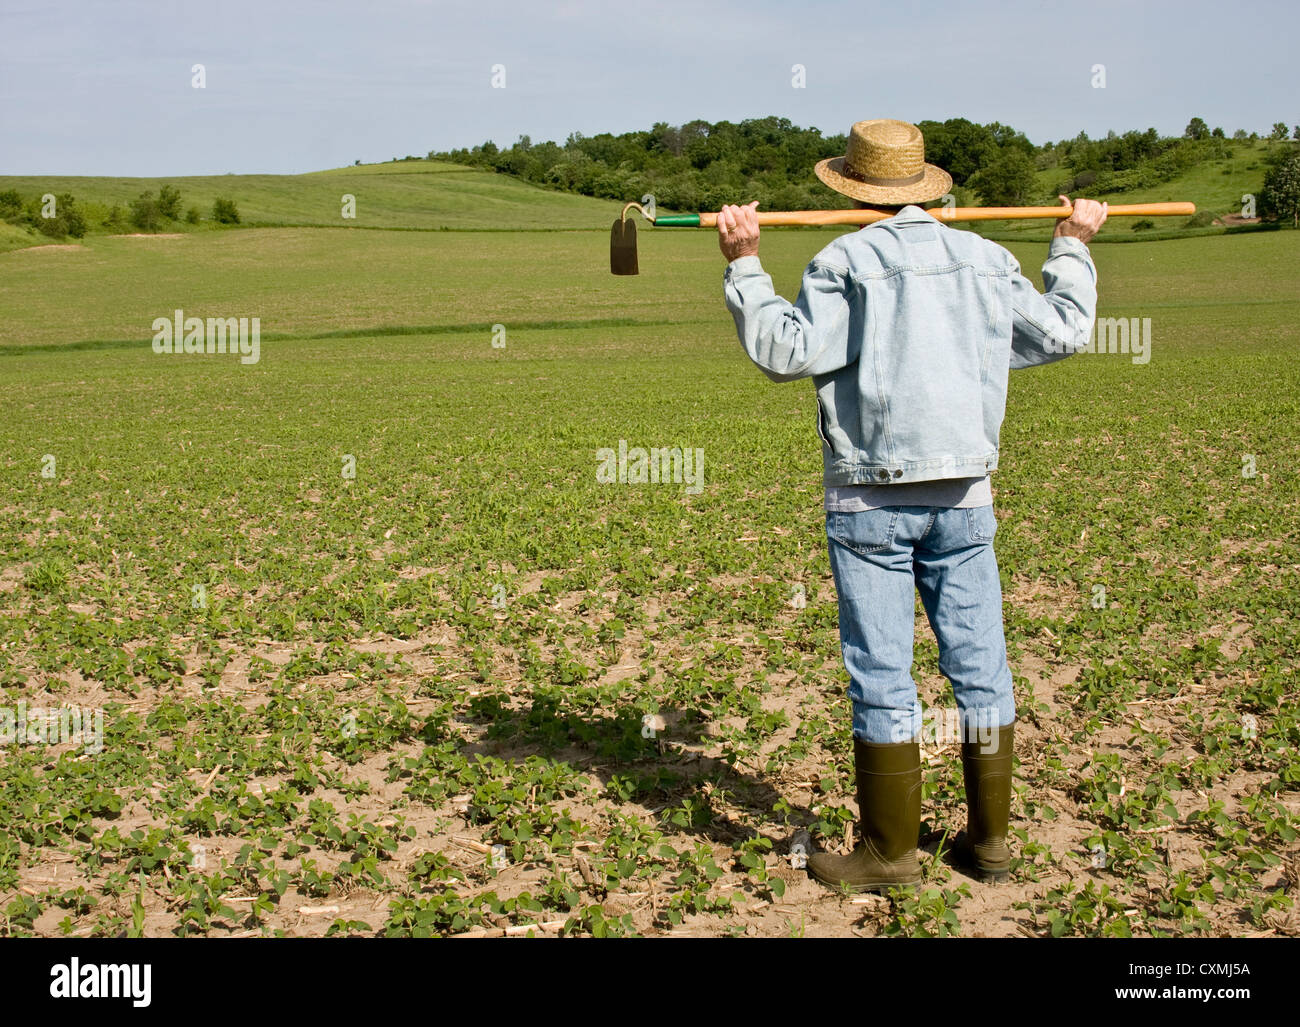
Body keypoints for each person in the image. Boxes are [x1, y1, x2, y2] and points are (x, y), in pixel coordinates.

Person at [718, 118, 1107, 893]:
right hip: (965, 496)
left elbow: (787, 353)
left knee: (882, 672)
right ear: (924, 186)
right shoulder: (987, 259)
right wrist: (1072, 244)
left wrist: (746, 263)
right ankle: (990, 845)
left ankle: (890, 854)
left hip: (869, 501)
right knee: (981, 666)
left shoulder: (844, 261)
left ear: (851, 188)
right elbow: (1059, 332)